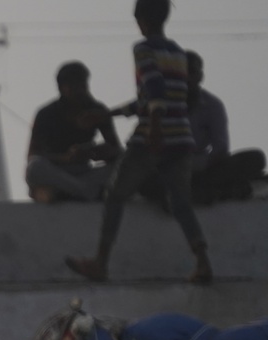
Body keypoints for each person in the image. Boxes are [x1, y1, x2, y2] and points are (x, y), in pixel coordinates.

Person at [67, 0, 210, 285]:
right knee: (181, 204)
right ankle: (203, 262)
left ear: (142, 19)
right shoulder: (179, 53)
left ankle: (100, 262)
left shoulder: (143, 49)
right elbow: (148, 99)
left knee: (115, 193)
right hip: (181, 139)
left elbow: (154, 89)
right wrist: (107, 114)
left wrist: (155, 127)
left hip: (152, 137)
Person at [25, 62, 123, 203]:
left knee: (124, 166)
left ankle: (70, 192)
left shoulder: (96, 109)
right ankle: (84, 191)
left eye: (82, 85)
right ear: (62, 88)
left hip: (85, 172)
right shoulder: (46, 114)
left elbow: (116, 149)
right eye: (74, 86)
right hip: (57, 171)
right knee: (34, 167)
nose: (80, 90)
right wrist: (65, 157)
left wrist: (94, 151)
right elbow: (33, 155)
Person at [184, 51, 266, 205]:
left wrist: (198, 164)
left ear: (200, 76)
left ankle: (200, 190)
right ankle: (215, 191)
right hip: (169, 169)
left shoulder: (212, 105)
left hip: (204, 170)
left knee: (255, 158)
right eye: (182, 72)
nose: (187, 77)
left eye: (191, 71)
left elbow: (220, 149)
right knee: (143, 176)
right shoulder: (160, 104)